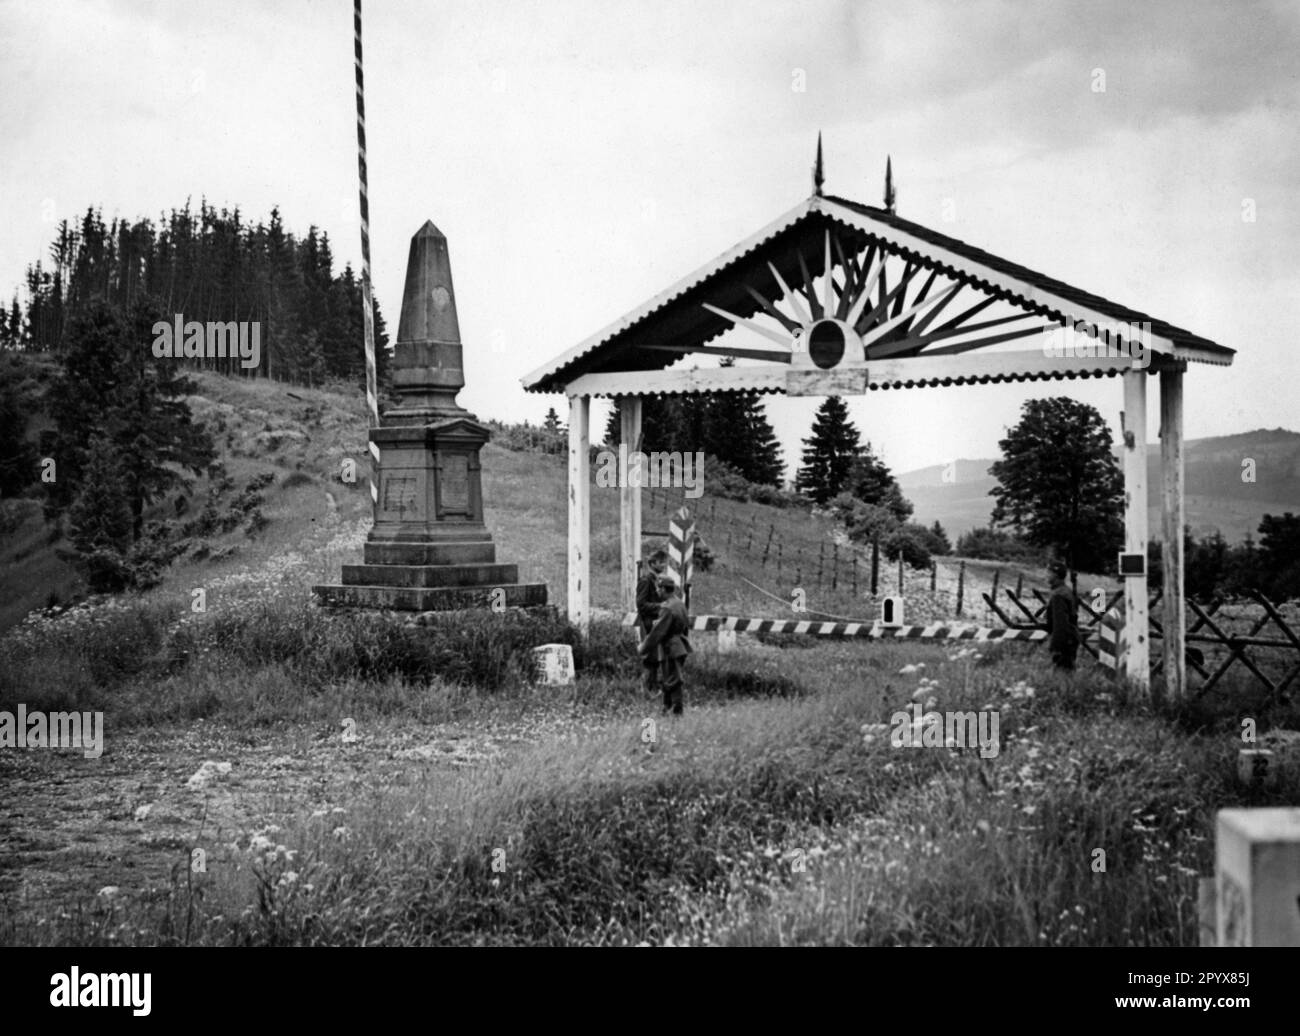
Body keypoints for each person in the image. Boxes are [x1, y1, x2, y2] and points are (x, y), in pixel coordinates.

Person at [639, 573, 692, 716]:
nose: (657, 591)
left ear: (663, 589)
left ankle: (676, 711)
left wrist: (643, 648)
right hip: (679, 644)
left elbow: (657, 633)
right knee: (669, 678)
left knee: (674, 680)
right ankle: (666, 708)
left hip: (670, 647)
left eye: (658, 588)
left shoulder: (667, 608)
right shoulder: (679, 603)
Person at [635, 550, 669, 696]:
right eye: (661, 562)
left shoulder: (657, 581)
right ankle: (647, 690)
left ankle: (652, 689)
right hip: (648, 623)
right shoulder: (645, 581)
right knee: (649, 658)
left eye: (664, 562)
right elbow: (641, 605)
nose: (663, 565)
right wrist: (660, 606)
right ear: (652, 563)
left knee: (655, 658)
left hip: (655, 624)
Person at [1043, 561, 1079, 671]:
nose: (1046, 575)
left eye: (1049, 572)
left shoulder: (1059, 595)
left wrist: (1056, 646)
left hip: (1064, 641)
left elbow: (1060, 623)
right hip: (1070, 638)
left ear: (1056, 574)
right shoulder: (1065, 591)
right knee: (1067, 673)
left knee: (1063, 674)